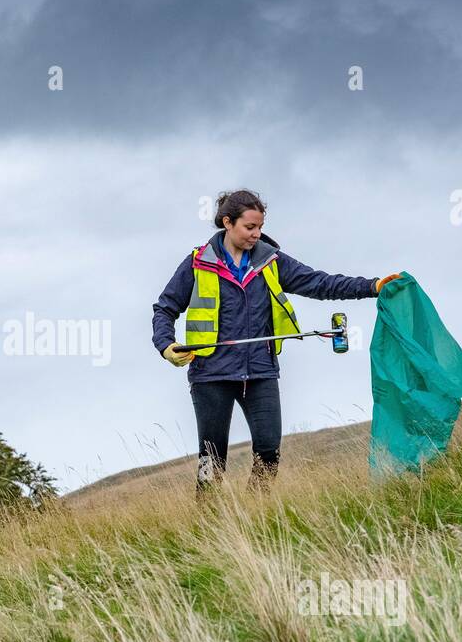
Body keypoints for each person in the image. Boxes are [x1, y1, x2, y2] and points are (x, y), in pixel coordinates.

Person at [152, 188, 401, 493]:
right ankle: (209, 528)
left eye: (260, 227)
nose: (256, 234)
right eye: (249, 227)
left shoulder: (271, 261)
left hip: (261, 371)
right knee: (211, 461)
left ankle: (257, 515)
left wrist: (372, 286)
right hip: (210, 374)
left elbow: (320, 283)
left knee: (269, 453)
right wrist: (166, 346)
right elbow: (164, 309)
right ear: (228, 223)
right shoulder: (196, 263)